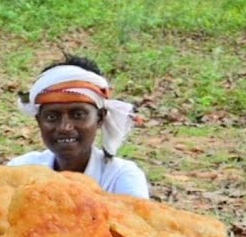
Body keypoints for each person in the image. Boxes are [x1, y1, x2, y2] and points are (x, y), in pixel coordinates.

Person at [9, 55, 149, 199]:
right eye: (52, 117)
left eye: (78, 115)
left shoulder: (121, 178)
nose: (65, 127)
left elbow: (135, 220)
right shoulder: (20, 169)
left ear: (100, 118)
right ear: (39, 122)